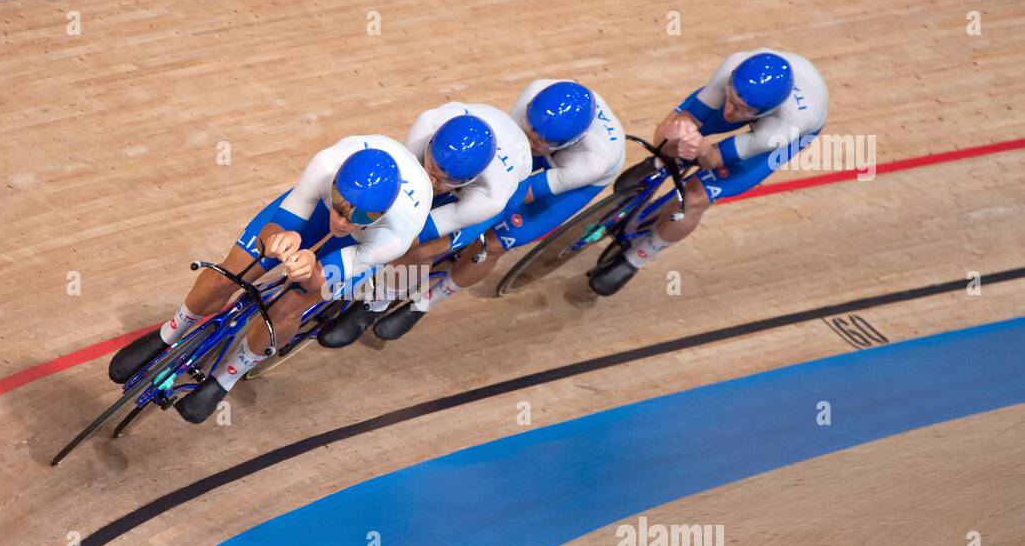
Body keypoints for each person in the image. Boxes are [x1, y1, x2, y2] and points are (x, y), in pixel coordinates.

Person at [107, 136, 431, 422]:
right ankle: (170, 331)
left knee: (291, 306)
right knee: (231, 273)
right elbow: (273, 228)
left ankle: (226, 377)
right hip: (315, 206)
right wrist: (279, 238)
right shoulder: (326, 165)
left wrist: (311, 270)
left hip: (360, 247)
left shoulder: (395, 234)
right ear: (335, 185)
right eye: (341, 207)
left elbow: (322, 287)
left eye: (359, 217)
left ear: (381, 214)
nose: (343, 221)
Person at [371, 79, 624, 340]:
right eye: (530, 126)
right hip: (522, 160)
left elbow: (519, 194)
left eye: (542, 140)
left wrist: (472, 223)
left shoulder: (592, 161)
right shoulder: (535, 95)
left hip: (574, 181)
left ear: (574, 139)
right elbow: (512, 155)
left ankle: (425, 302)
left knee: (492, 243)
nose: (532, 138)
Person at [588, 49, 827, 296]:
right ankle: (660, 164)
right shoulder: (732, 67)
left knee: (694, 198)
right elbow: (682, 119)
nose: (730, 112)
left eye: (741, 109)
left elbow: (714, 158)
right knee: (671, 134)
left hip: (781, 135)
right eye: (731, 98)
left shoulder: (785, 127)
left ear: (766, 111)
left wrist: (700, 147)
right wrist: (681, 135)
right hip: (752, 98)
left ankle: (638, 256)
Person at [315, 103, 529, 347]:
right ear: (430, 145)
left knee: (418, 248)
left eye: (444, 180)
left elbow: (416, 232)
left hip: (504, 194)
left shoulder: (490, 196)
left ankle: (384, 304)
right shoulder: (427, 125)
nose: (431, 180)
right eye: (432, 167)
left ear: (470, 179)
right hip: (468, 146)